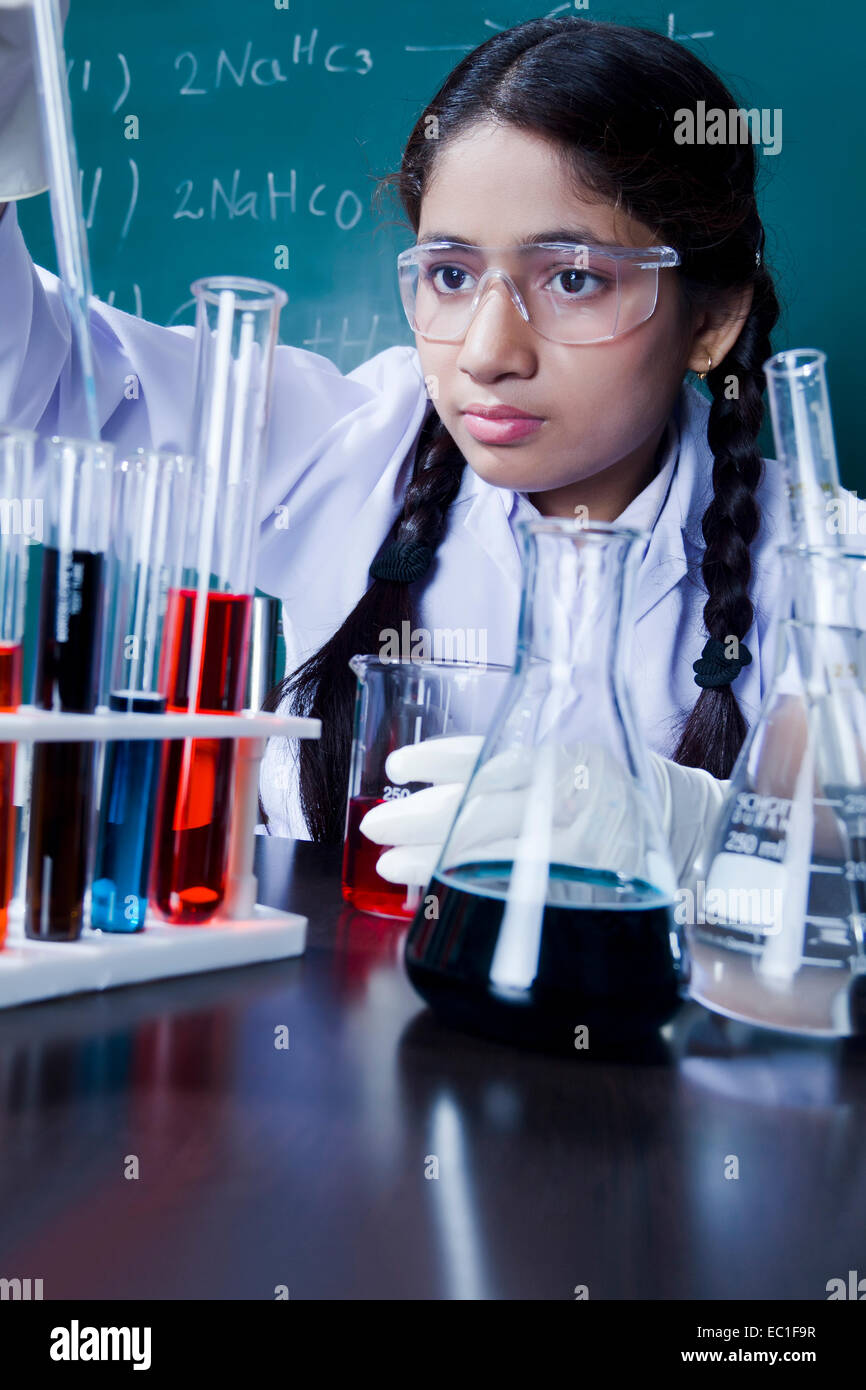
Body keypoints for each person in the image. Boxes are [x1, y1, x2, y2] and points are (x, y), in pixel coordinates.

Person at [0, 14, 796, 882]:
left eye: (573, 279)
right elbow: (33, 388)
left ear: (713, 320)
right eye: (451, 276)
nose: (490, 352)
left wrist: (702, 834)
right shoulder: (339, 446)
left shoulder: (826, 576)